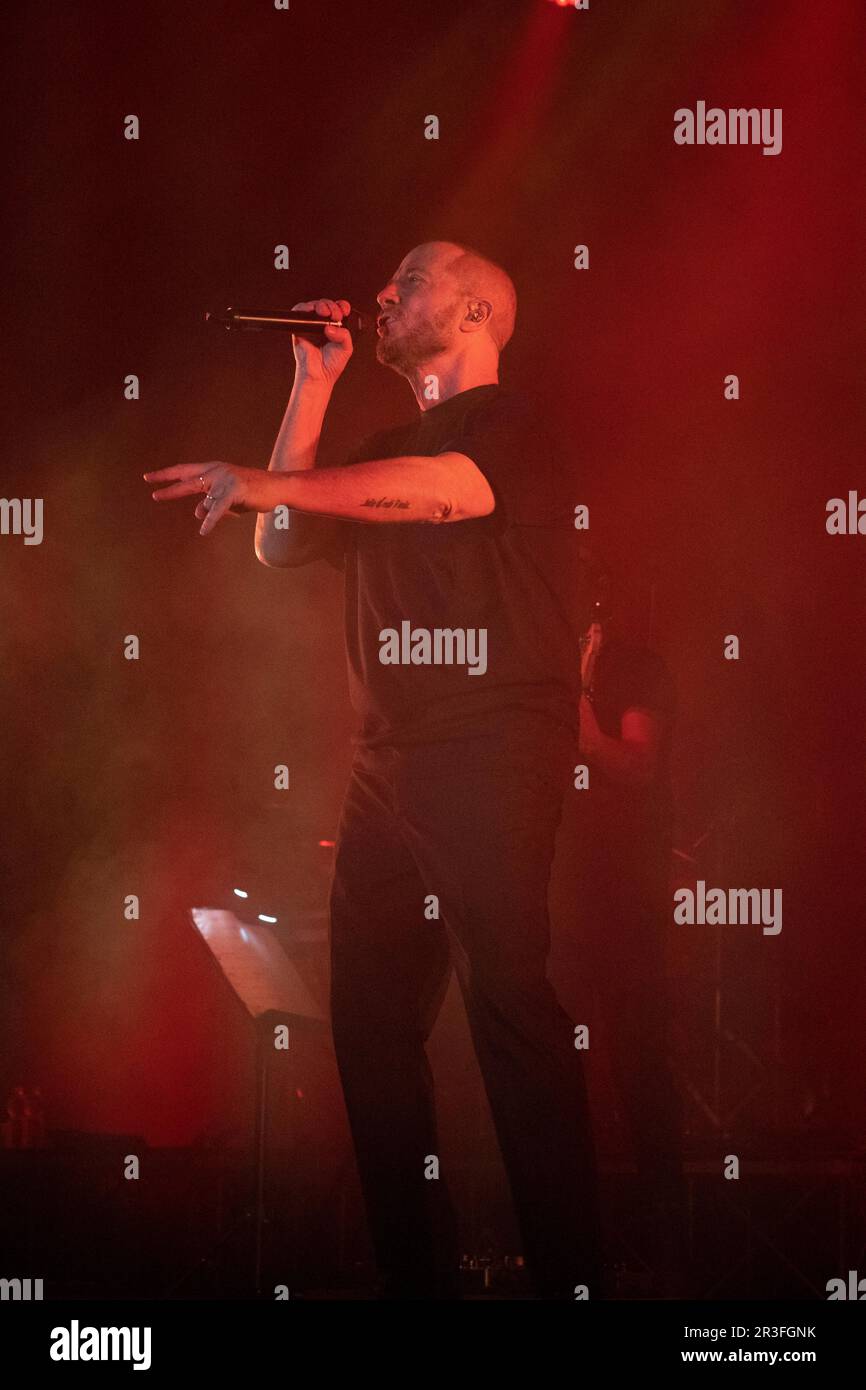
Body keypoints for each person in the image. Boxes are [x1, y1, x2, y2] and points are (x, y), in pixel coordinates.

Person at [145, 240, 599, 1300]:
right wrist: (311, 387)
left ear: (478, 308)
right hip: (386, 762)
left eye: (410, 280)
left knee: (508, 1008)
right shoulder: (383, 440)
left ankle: (576, 1282)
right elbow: (280, 538)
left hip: (490, 744)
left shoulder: (511, 428)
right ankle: (415, 1275)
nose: (384, 296)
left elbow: (443, 495)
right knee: (367, 1026)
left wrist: (264, 482)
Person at [549, 603, 687, 1294]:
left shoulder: (638, 668)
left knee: (638, 1063)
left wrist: (576, 710)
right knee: (545, 1070)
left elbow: (634, 763)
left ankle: (670, 1248)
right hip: (558, 897)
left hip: (624, 897)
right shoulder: (541, 666)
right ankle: (559, 1242)